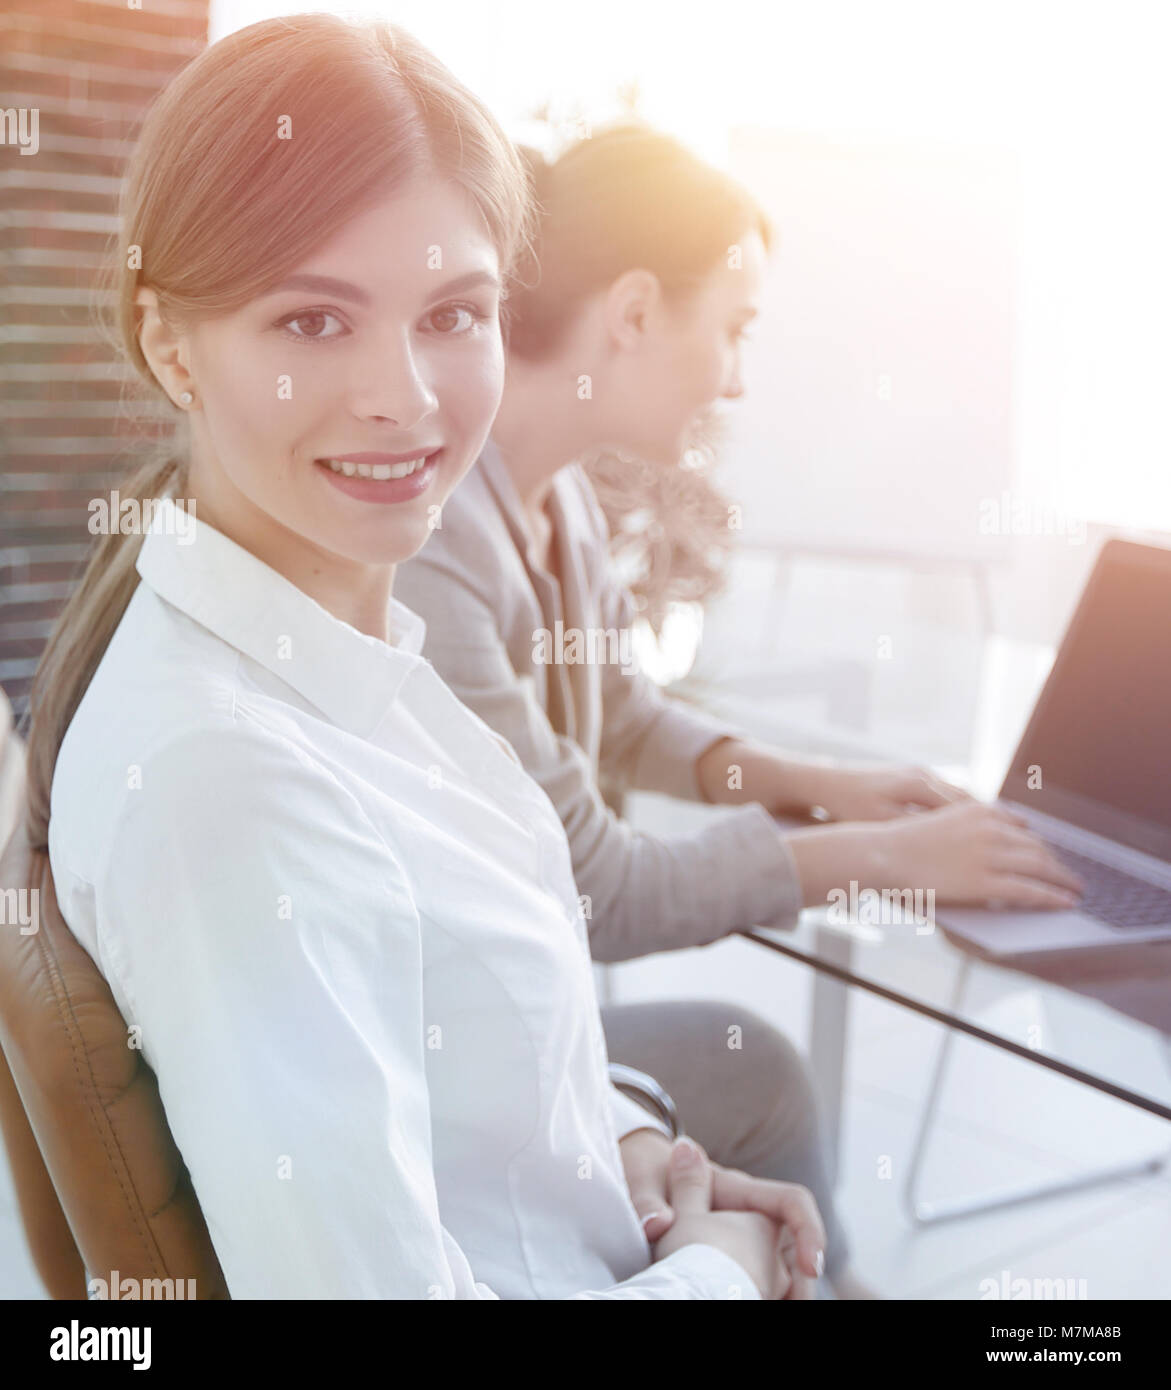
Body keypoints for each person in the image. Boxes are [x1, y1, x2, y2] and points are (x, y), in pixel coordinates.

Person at [20, 18, 825, 1300]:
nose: (407, 395)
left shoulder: (324, 658)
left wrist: (620, 1140)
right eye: (312, 322)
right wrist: (724, 1265)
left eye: (455, 311)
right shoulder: (231, 784)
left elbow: (454, 1027)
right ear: (173, 346)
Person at [393, 124, 1087, 1298]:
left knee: (759, 1071)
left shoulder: (551, 502)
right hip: (436, 1057)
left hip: (502, 1024)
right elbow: (599, 887)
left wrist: (818, 786)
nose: (737, 376)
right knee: (757, 1071)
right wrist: (881, 857)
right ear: (632, 313)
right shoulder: (435, 543)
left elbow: (618, 713)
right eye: (733, 327)